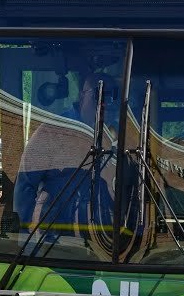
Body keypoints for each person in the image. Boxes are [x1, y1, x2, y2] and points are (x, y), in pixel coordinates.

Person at [14, 71, 118, 243]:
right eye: (98, 95)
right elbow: (25, 186)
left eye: (112, 97)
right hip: (57, 242)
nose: (105, 103)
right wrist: (25, 239)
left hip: (106, 241)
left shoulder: (120, 138)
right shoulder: (53, 131)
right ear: (82, 96)